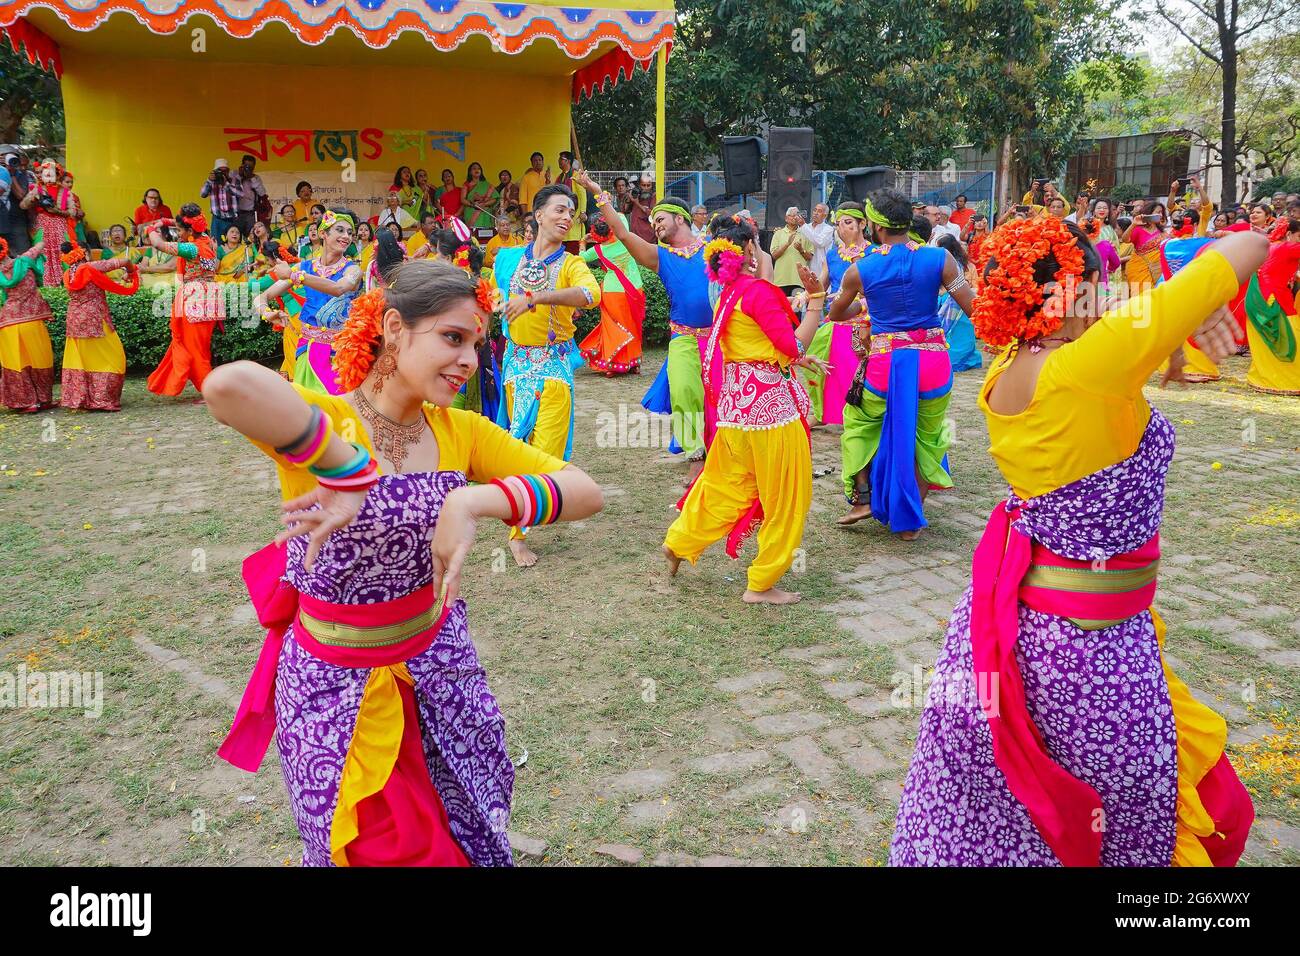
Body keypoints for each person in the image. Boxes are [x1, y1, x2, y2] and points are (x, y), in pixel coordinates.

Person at [889, 222, 1264, 868]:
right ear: (1079, 290)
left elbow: (1102, 349)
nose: (1111, 298)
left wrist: (1163, 336)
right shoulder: (1095, 364)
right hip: (1094, 653)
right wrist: (1179, 316)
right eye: (1099, 288)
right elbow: (1250, 245)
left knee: (1021, 816)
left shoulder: (1010, 365)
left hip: (1028, 629)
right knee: (1128, 820)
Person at [207, 258, 604, 867]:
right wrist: (346, 468)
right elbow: (227, 386)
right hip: (337, 695)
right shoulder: (332, 420)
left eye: (476, 342)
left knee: (464, 835)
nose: (470, 359)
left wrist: (476, 498)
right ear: (393, 327)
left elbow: (585, 491)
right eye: (452, 337)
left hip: (440, 677)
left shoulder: (462, 432)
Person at [662, 215, 826, 605]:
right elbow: (791, 346)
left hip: (736, 411)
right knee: (786, 496)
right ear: (750, 249)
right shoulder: (758, 292)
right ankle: (761, 584)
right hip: (770, 415)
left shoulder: (725, 293)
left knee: (728, 485)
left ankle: (679, 543)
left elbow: (757, 346)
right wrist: (816, 302)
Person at [827, 186, 974, 537]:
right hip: (933, 364)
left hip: (884, 364)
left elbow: (836, 313)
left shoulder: (860, 269)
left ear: (876, 227)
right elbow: (972, 306)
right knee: (927, 437)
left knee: (859, 423)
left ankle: (863, 496)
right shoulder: (940, 259)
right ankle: (910, 523)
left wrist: (865, 305)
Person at [574, 170, 713, 476]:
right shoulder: (658, 256)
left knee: (718, 395)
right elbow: (623, 235)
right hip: (684, 339)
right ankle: (696, 456)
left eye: (660, 219)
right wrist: (599, 192)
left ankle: (722, 449)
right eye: (653, 222)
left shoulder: (713, 251)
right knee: (684, 391)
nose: (656, 225)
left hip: (719, 339)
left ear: (680, 218)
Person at [492, 184, 600, 568]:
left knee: (545, 451)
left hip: (553, 368)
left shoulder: (571, 263)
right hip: (514, 366)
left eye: (570, 211)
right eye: (558, 209)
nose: (566, 217)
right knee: (518, 446)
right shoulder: (506, 260)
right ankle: (525, 515)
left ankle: (519, 531)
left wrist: (537, 298)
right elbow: (491, 297)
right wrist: (495, 305)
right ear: (537, 215)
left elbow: (591, 296)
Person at [255, 209, 363, 396]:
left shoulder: (353, 270)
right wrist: (267, 312)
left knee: (338, 410)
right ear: (323, 234)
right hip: (308, 349)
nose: (346, 236)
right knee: (310, 411)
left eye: (350, 233)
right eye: (340, 230)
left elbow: (338, 288)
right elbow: (261, 297)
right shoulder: (304, 267)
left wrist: (295, 276)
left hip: (340, 354)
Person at [145, 204, 226, 399]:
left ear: (190, 230)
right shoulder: (207, 239)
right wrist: (165, 221)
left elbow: (159, 245)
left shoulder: (191, 248)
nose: (177, 232)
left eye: (180, 230)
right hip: (210, 296)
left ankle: (210, 392)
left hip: (196, 299)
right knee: (201, 346)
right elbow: (183, 224)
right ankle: (209, 387)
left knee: (195, 348)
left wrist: (150, 230)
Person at [803, 202, 869, 427]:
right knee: (817, 358)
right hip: (837, 318)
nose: (842, 229)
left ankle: (860, 415)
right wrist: (805, 294)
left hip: (863, 320)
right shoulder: (832, 255)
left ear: (863, 224)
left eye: (848, 223)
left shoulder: (874, 253)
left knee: (855, 368)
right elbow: (821, 282)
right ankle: (820, 411)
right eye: (839, 224)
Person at [59, 239, 136, 411]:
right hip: (95, 318)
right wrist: (131, 271)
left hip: (75, 319)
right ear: (84, 253)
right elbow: (124, 261)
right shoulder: (92, 267)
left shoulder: (68, 274)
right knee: (114, 357)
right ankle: (102, 399)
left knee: (84, 360)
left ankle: (84, 399)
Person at [579, 211, 645, 376]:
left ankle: (614, 363)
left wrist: (583, 242)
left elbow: (581, 258)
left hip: (612, 290)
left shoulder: (598, 250)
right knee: (633, 325)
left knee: (613, 327)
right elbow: (619, 215)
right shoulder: (624, 235)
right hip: (634, 286)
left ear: (595, 233)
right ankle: (634, 363)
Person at [1242, 217, 1300, 395]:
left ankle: (1263, 377)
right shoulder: (1288, 247)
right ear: (1289, 234)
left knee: (1267, 341)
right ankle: (1285, 381)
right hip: (1275, 300)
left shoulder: (1269, 246)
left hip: (1257, 299)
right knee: (1290, 339)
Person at [0, 239, 55, 411]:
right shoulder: (24, 260)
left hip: (9, 323)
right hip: (32, 320)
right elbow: (41, 244)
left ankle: (28, 402)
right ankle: (44, 399)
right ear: (6, 248)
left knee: (16, 364)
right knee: (41, 360)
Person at [21, 160, 78, 285]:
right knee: (42, 252)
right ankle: (45, 283)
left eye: (51, 172)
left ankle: (67, 283)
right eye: (45, 172)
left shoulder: (65, 192)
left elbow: (73, 212)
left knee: (63, 252)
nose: (47, 175)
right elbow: (23, 205)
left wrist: (56, 211)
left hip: (60, 226)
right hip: (42, 225)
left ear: (57, 175)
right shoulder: (37, 189)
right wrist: (33, 200)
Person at [935, 234, 981, 372]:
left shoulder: (950, 263)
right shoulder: (957, 261)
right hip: (958, 300)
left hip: (954, 301)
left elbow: (948, 286)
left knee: (955, 333)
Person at [1123, 202, 1168, 292]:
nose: (1160, 215)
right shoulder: (1138, 229)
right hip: (1138, 269)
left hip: (1158, 271)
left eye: (1162, 212)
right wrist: (1133, 224)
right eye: (1158, 212)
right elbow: (1125, 239)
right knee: (1142, 299)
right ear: (1149, 213)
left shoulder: (1163, 233)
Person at [771, 207, 813, 296]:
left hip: (799, 280)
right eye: (792, 215)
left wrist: (801, 250)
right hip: (781, 280)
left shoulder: (805, 233)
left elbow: (810, 257)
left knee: (797, 308)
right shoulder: (778, 234)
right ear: (786, 218)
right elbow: (774, 256)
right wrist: (787, 244)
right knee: (781, 307)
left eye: (797, 215)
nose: (795, 218)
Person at [200, 159, 242, 241]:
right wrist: (209, 180)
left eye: (224, 171)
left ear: (228, 171)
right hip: (217, 219)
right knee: (216, 245)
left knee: (234, 245)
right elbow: (203, 194)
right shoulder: (211, 182)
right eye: (220, 171)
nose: (222, 173)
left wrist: (226, 184)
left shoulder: (234, 181)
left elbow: (241, 194)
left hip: (232, 219)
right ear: (215, 172)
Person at [2, 151, 33, 256]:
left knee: (23, 253)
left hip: (17, 221)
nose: (23, 168)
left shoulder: (21, 174)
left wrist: (11, 175)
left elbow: (20, 195)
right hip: (3, 220)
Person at [799, 203, 835, 279]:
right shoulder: (806, 227)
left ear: (825, 216)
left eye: (819, 211)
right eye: (815, 210)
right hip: (805, 265)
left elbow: (819, 242)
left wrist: (803, 225)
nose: (816, 213)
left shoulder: (828, 229)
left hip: (820, 267)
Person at [234, 155, 266, 238]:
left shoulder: (255, 178)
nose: (248, 169)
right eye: (246, 166)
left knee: (252, 236)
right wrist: (240, 176)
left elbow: (262, 193)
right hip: (236, 213)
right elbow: (230, 188)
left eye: (250, 167)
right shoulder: (234, 174)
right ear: (242, 165)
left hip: (250, 213)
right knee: (236, 236)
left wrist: (251, 177)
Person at [461, 162, 495, 240]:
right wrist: (474, 205)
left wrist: (483, 204)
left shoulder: (487, 185)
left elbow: (494, 199)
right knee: (474, 236)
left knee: (486, 236)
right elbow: (462, 199)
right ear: (470, 172)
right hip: (472, 211)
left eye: (478, 168)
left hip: (485, 212)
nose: (477, 170)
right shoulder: (467, 185)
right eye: (474, 168)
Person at [627, 174, 656, 244]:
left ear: (652, 186)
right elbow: (626, 210)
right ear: (639, 185)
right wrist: (629, 198)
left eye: (648, 185)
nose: (646, 188)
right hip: (635, 236)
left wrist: (637, 203)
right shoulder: (637, 195)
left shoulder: (654, 196)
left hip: (648, 238)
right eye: (643, 185)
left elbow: (652, 214)